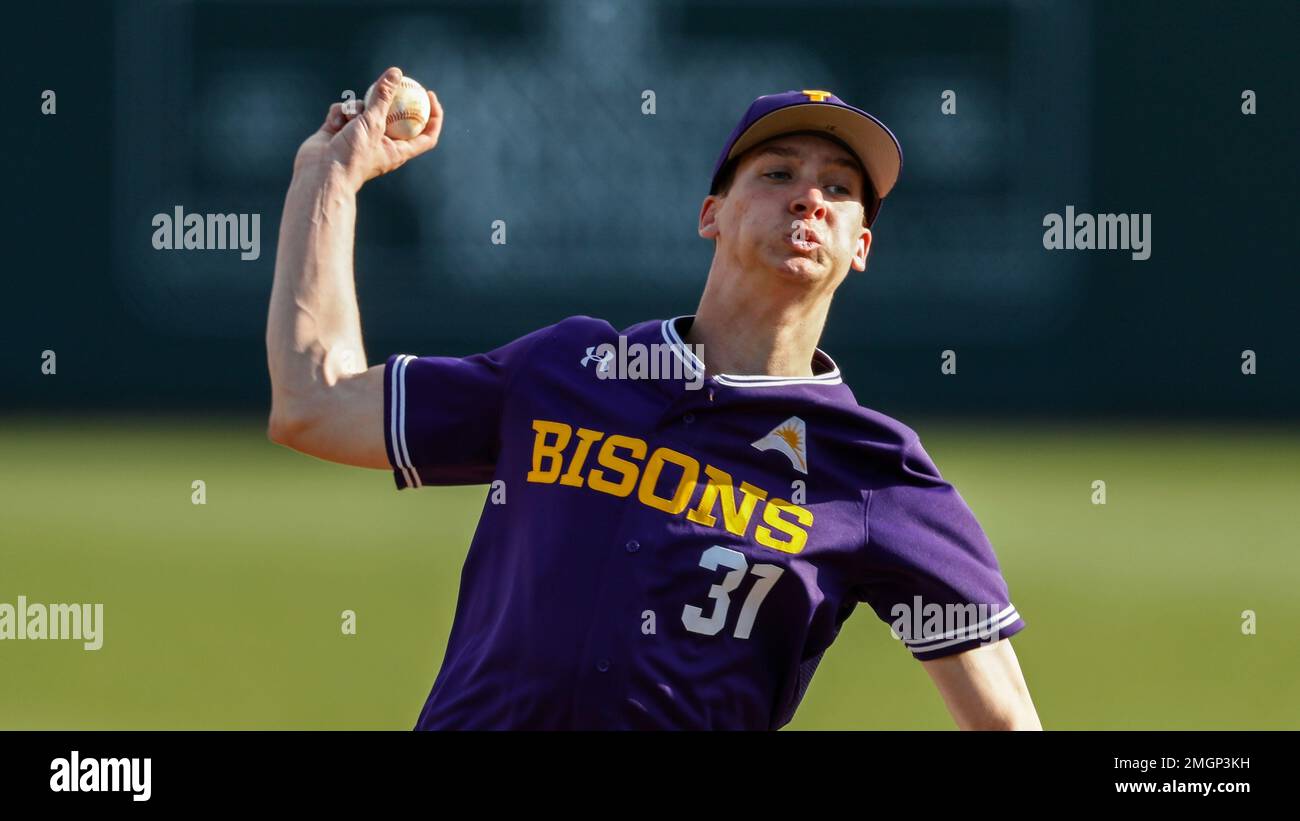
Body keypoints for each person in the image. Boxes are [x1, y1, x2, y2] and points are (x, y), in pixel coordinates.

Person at [267, 68, 1041, 730]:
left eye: (839, 190)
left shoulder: (872, 471)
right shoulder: (567, 370)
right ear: (712, 214)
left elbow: (1005, 718)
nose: (810, 199)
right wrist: (327, 176)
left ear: (860, 246)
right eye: (777, 174)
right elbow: (314, 401)